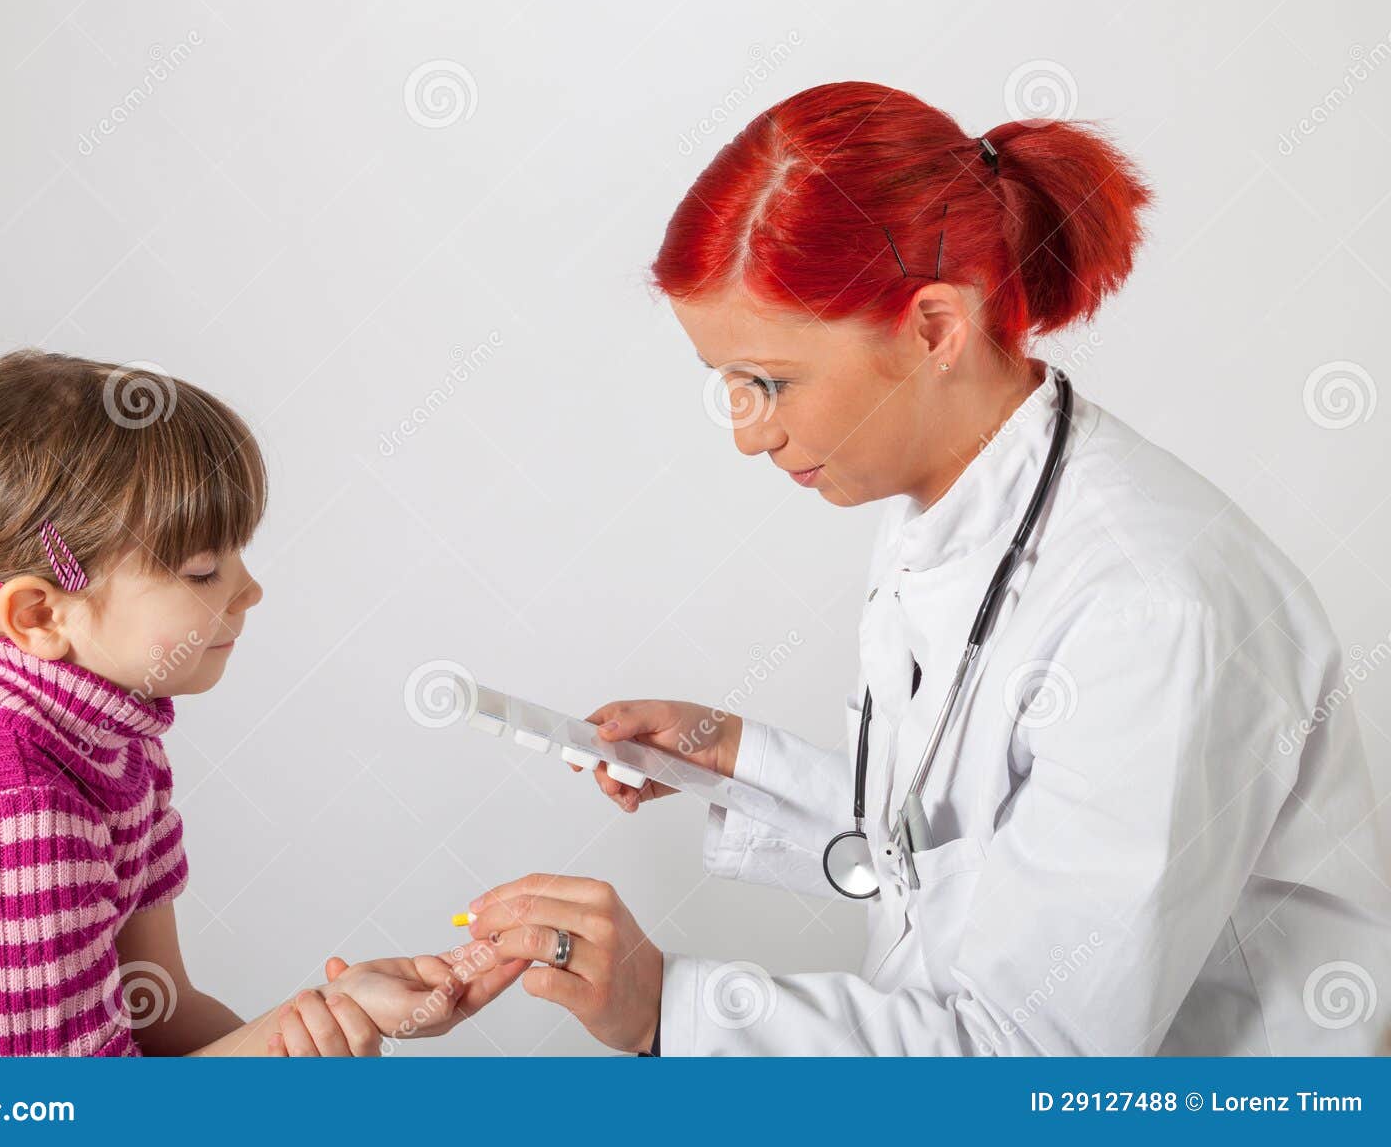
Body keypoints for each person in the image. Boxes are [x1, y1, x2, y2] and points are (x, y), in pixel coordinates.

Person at [456, 81, 1391, 1055]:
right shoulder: (944, 519)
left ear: (936, 327)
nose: (747, 434)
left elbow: (1035, 1064)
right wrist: (737, 759)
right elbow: (952, 849)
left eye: (768, 381)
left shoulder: (1146, 604)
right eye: (724, 384)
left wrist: (669, 1009)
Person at [0, 351, 524, 1056]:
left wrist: (333, 1020)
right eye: (203, 570)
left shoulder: (112, 743)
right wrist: (322, 1027)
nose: (248, 590)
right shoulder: (12, 811)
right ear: (41, 616)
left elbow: (160, 1006)